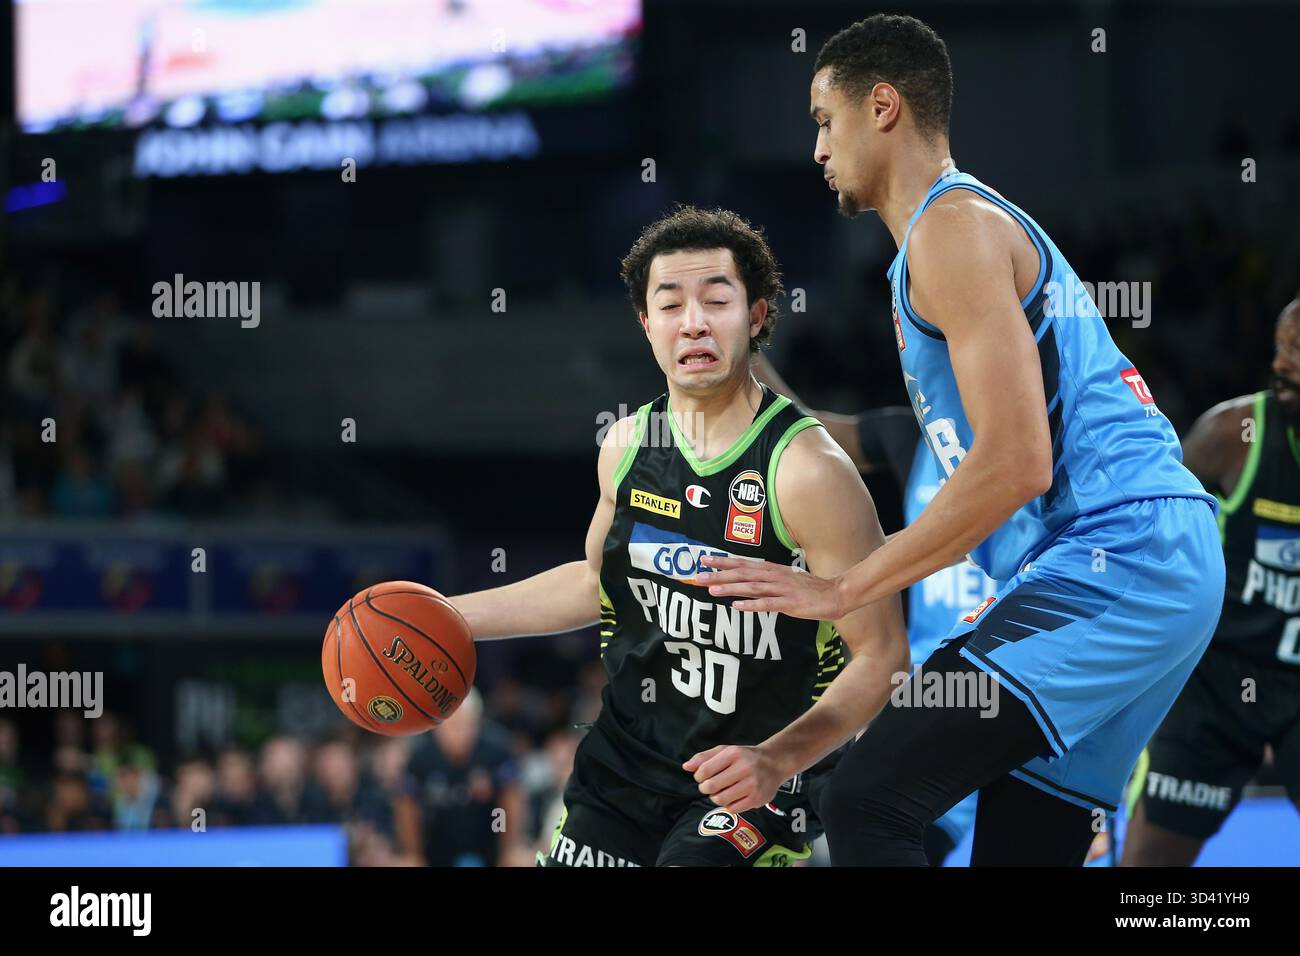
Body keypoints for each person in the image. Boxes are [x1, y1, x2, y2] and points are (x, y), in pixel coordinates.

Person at [690, 14, 1224, 866]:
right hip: (1143, 560)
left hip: (1120, 553)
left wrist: (847, 587)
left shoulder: (951, 228)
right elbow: (854, 435)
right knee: (1020, 844)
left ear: (883, 107)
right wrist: (735, 366)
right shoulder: (944, 239)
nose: (818, 148)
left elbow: (1018, 462)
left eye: (825, 121)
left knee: (867, 800)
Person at [444, 206, 908, 866]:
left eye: (716, 301)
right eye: (670, 304)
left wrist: (779, 758)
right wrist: (447, 616)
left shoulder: (809, 470)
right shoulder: (627, 444)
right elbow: (595, 582)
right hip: (624, 768)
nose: (693, 322)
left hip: (758, 776)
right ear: (646, 323)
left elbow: (882, 656)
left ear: (756, 317)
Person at [753, 354, 988, 864]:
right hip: (917, 680)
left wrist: (844, 582)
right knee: (865, 815)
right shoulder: (907, 435)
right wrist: (744, 347)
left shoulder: (1031, 446)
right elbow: (802, 425)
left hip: (1006, 673)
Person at [1122, 297, 1300, 864]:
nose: (1282, 365)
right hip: (1215, 682)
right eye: (1281, 348)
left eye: (1299, 353)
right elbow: (1143, 527)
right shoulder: (1234, 432)